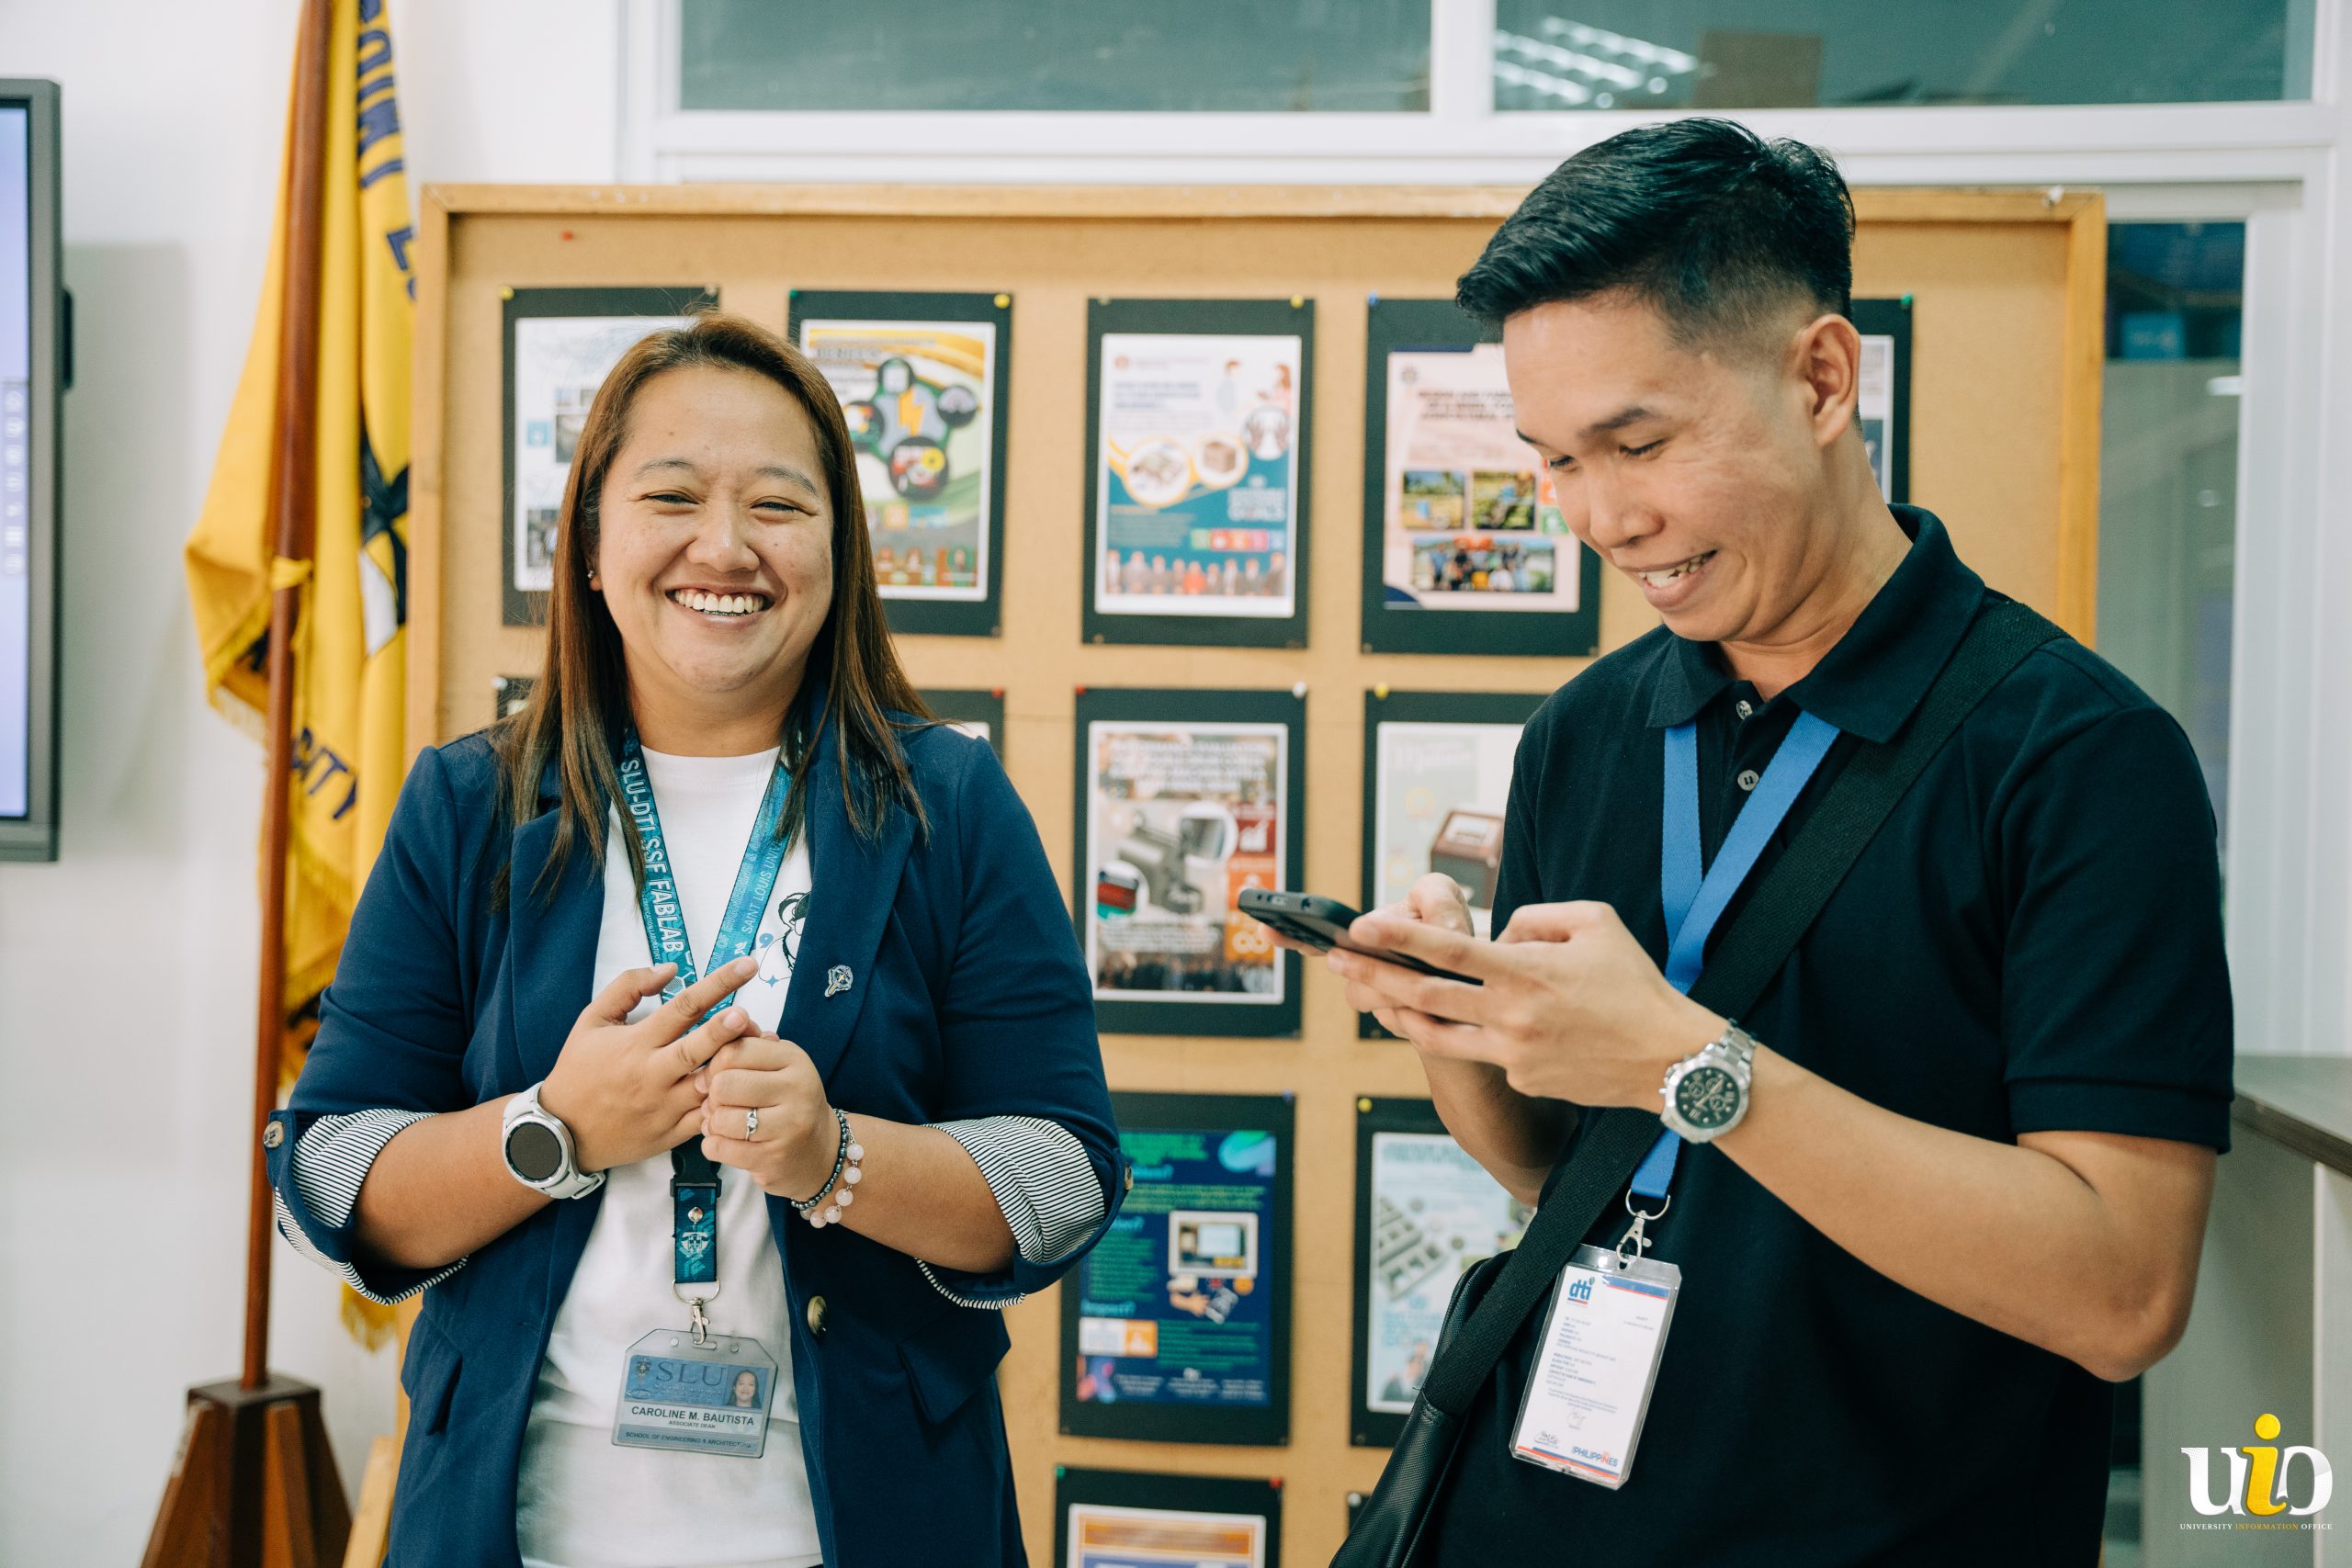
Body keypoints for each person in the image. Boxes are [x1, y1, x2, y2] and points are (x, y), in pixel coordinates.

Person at [1316, 119, 2229, 1565]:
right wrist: (1455, 1028)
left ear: (1820, 377)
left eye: (1639, 443)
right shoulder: (1587, 731)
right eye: (1554, 461)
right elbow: (1567, 1172)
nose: (1603, 519)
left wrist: (1687, 1062)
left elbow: (2120, 1292)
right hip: (1534, 1517)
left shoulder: (2079, 759)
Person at [268, 313, 1124, 1568]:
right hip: (515, 1531)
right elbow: (325, 1176)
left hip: (863, 1531)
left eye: (779, 505)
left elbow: (1064, 1179)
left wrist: (839, 1160)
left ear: (840, 551)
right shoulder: (471, 808)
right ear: (593, 548)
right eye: (672, 496)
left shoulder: (948, 807)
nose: (724, 548)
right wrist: (554, 1131)